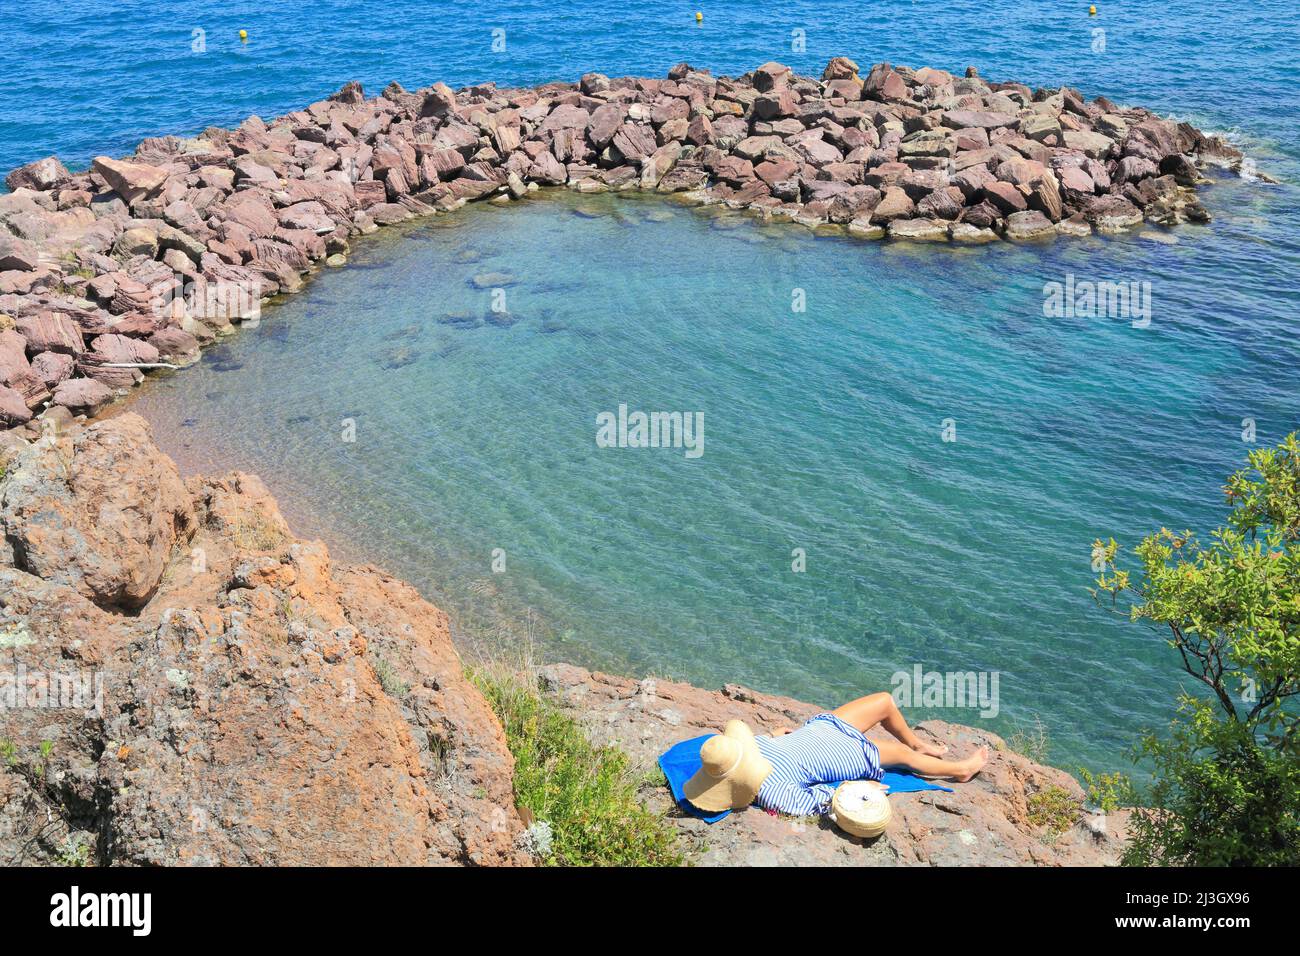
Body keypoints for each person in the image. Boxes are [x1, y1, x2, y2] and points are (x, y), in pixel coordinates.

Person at [683, 692, 989, 816]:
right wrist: (858, 789)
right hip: (842, 754)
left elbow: (762, 741)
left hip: (818, 731)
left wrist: (775, 735)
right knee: (901, 757)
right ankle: (960, 769)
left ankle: (918, 742)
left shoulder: (744, 749)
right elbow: (821, 800)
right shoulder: (771, 792)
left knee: (884, 701)